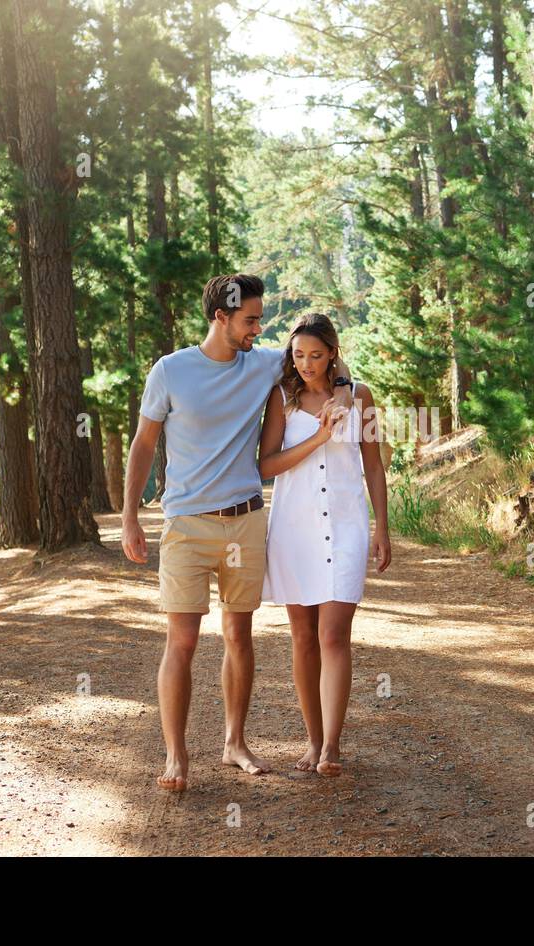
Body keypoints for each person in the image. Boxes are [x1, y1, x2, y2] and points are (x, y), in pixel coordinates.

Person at [121, 275, 352, 792]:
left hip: (245, 521)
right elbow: (143, 444)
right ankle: (176, 755)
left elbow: (326, 361)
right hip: (186, 523)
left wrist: (339, 393)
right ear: (220, 317)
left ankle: (234, 742)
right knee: (182, 640)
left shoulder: (263, 363)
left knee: (239, 636)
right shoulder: (170, 371)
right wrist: (129, 516)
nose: (258, 329)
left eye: (260, 319)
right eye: (250, 320)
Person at [258, 312, 391, 777]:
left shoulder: (360, 397)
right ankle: (312, 741)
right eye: (299, 355)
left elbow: (373, 465)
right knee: (302, 637)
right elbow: (265, 466)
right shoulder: (281, 398)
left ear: (333, 353)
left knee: (333, 635)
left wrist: (382, 527)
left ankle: (332, 745)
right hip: (294, 529)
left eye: (316, 354)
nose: (307, 364)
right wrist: (318, 438)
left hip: (347, 524)